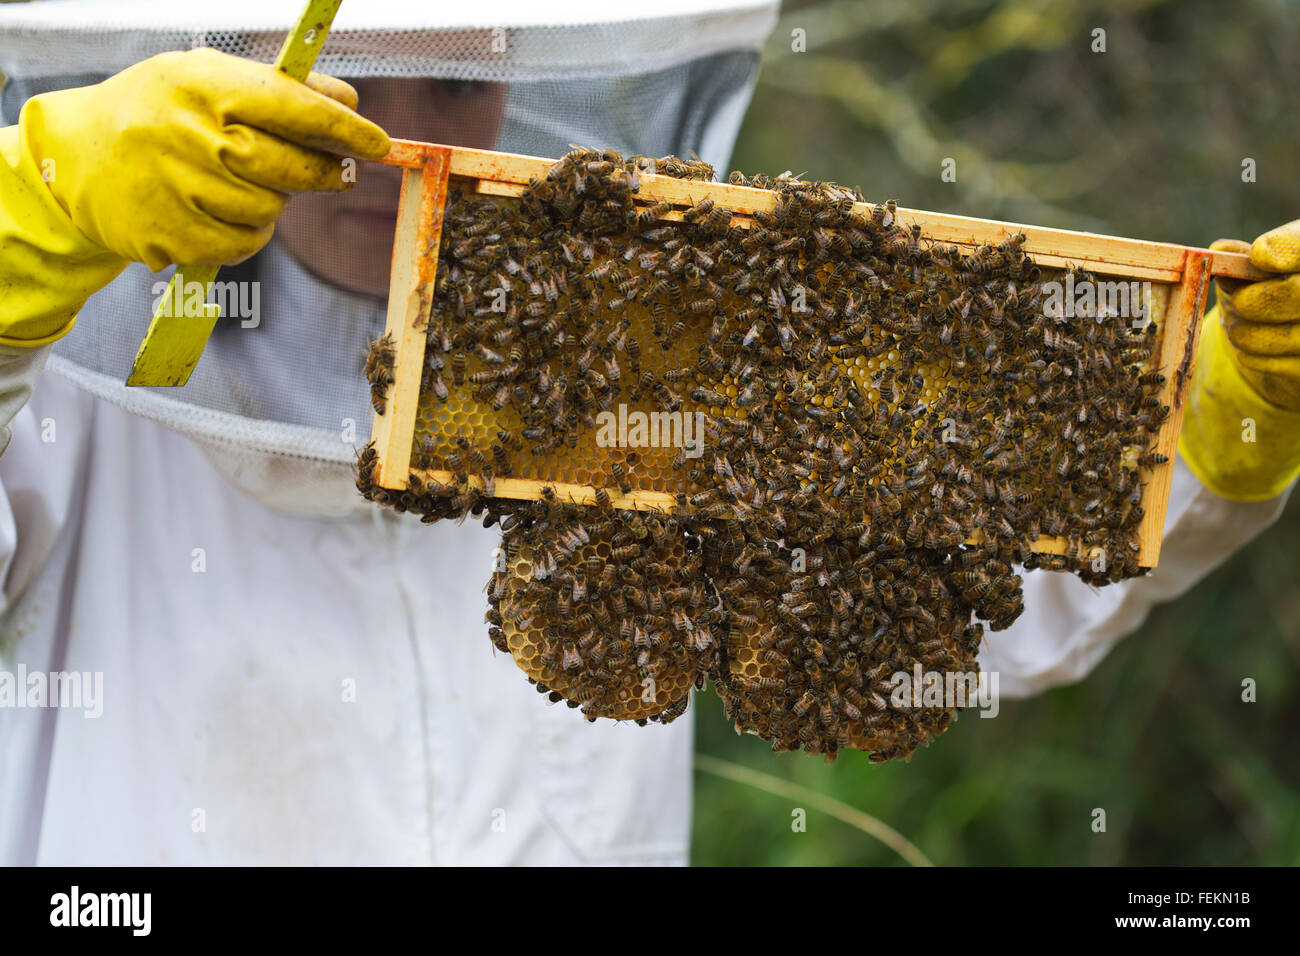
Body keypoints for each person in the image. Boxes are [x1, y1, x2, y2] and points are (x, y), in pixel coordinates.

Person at [0, 1, 1296, 866]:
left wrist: (1223, 425)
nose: (391, 143)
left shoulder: (659, 366)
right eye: (344, 87)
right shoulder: (65, 387)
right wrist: (27, 232)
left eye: (455, 86)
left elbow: (977, 604)